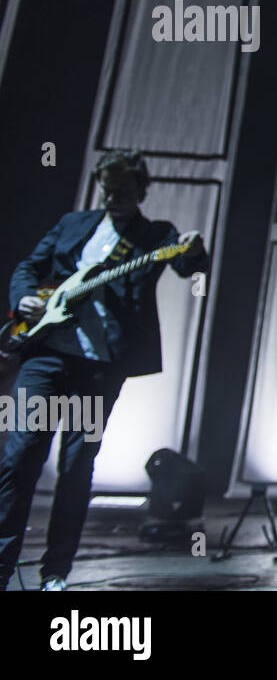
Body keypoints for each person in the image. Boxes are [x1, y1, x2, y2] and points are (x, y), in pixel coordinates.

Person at [0, 149, 209, 590]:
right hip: (47, 358)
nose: (115, 197)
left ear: (141, 189)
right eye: (109, 189)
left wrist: (195, 250)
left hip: (96, 370)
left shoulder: (154, 235)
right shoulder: (72, 224)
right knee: (18, 460)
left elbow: (188, 265)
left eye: (124, 189)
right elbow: (28, 268)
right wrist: (24, 298)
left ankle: (54, 573)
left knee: (76, 467)